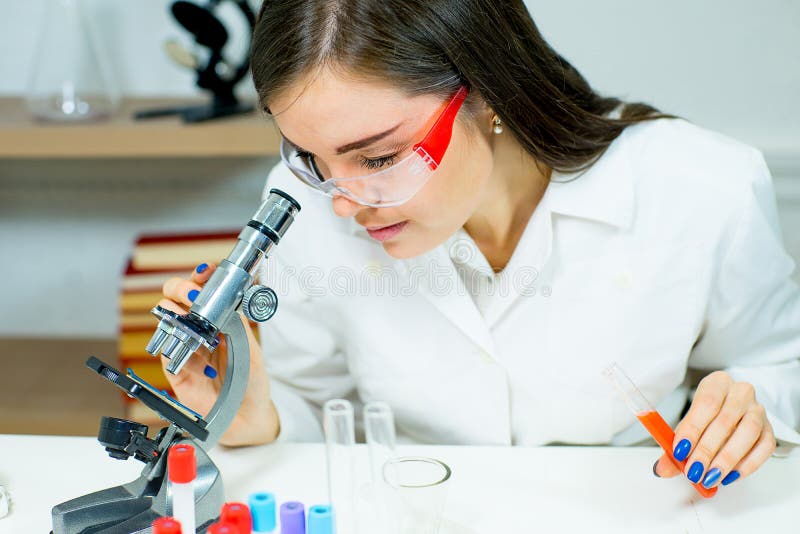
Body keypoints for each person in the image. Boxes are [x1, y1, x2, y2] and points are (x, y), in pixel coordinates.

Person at [159, 0, 800, 492]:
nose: (344, 202)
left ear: (489, 90)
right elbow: (322, 410)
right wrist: (259, 417)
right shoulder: (302, 204)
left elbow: (779, 367)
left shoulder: (701, 187)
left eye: (378, 158)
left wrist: (747, 410)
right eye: (309, 158)